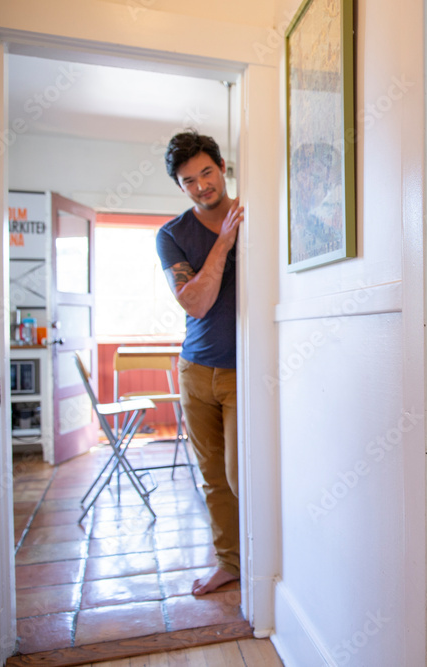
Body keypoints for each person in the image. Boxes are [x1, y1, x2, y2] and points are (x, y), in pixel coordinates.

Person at [157, 131, 243, 596]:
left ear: (222, 166)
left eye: (206, 172)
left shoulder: (259, 216)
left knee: (240, 473)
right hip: (194, 370)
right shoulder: (171, 235)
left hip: (245, 371)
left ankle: (266, 555)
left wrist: (234, 231)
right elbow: (195, 302)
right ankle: (230, 562)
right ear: (181, 187)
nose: (201, 185)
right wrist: (223, 245)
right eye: (189, 180)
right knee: (212, 478)